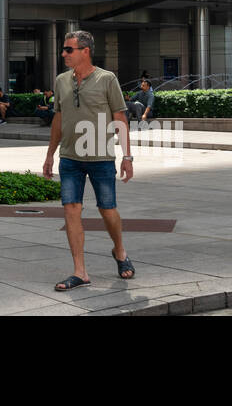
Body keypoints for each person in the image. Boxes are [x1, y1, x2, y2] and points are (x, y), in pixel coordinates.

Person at [41, 30, 135, 290]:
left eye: (68, 49)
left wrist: (127, 156)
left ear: (85, 51)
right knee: (71, 211)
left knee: (107, 209)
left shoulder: (107, 79)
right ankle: (80, 272)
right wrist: (50, 154)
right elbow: (58, 119)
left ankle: (119, 251)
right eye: (63, 49)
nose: (63, 54)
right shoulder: (61, 81)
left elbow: (120, 118)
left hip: (100, 157)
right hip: (69, 158)